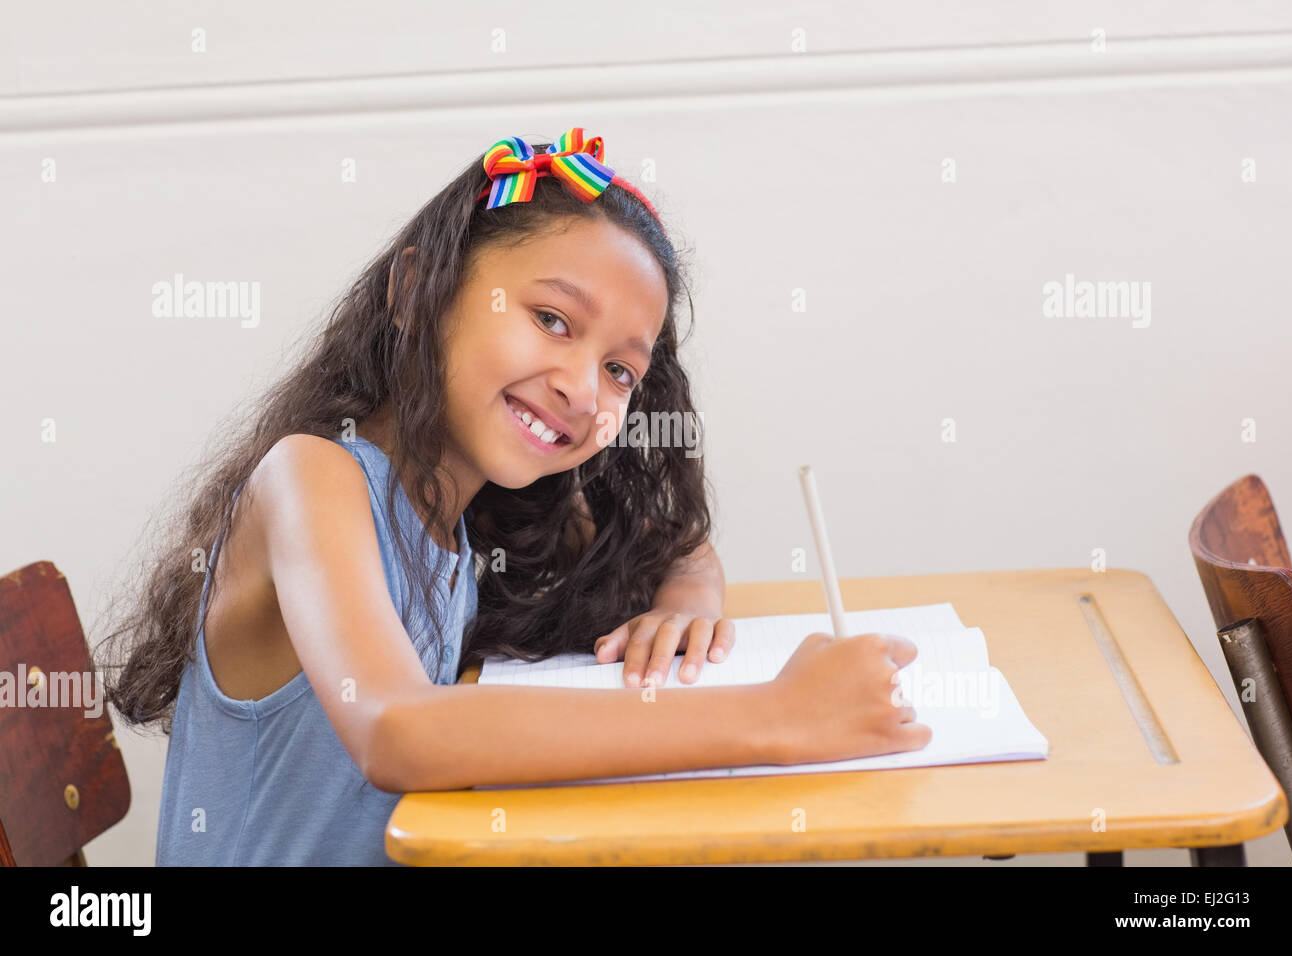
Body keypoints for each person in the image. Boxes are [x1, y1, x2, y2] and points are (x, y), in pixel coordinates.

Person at [96, 127, 930, 865]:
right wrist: (776, 716)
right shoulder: (310, 479)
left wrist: (685, 601)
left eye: (619, 371)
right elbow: (396, 729)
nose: (581, 388)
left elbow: (675, 545)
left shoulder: (474, 510)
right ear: (419, 290)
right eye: (553, 320)